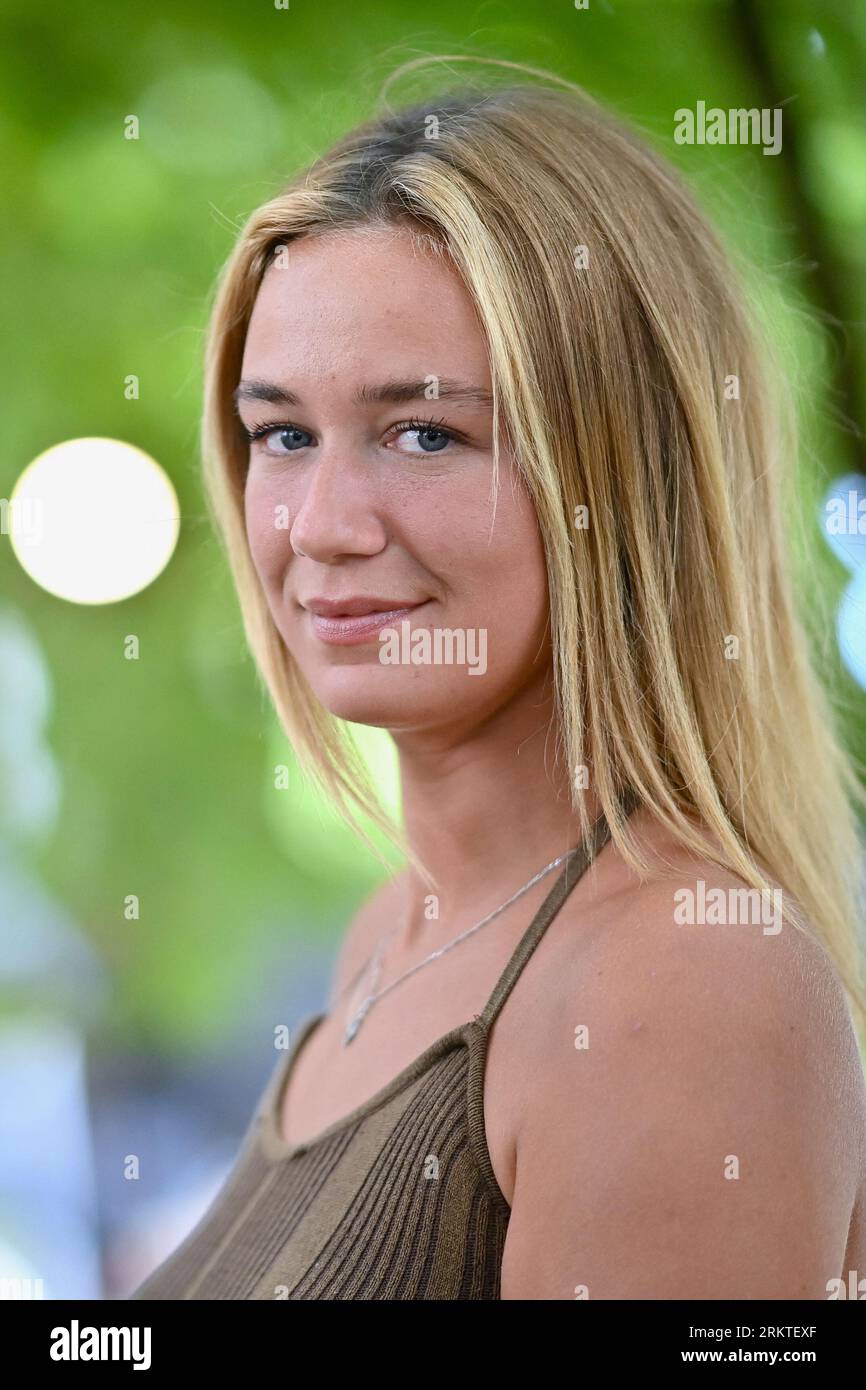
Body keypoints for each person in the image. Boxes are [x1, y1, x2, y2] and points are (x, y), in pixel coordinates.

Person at [130, 63, 866, 1300]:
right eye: (281, 435)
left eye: (426, 432)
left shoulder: (684, 986)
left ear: (622, 477)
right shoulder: (395, 930)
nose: (319, 525)